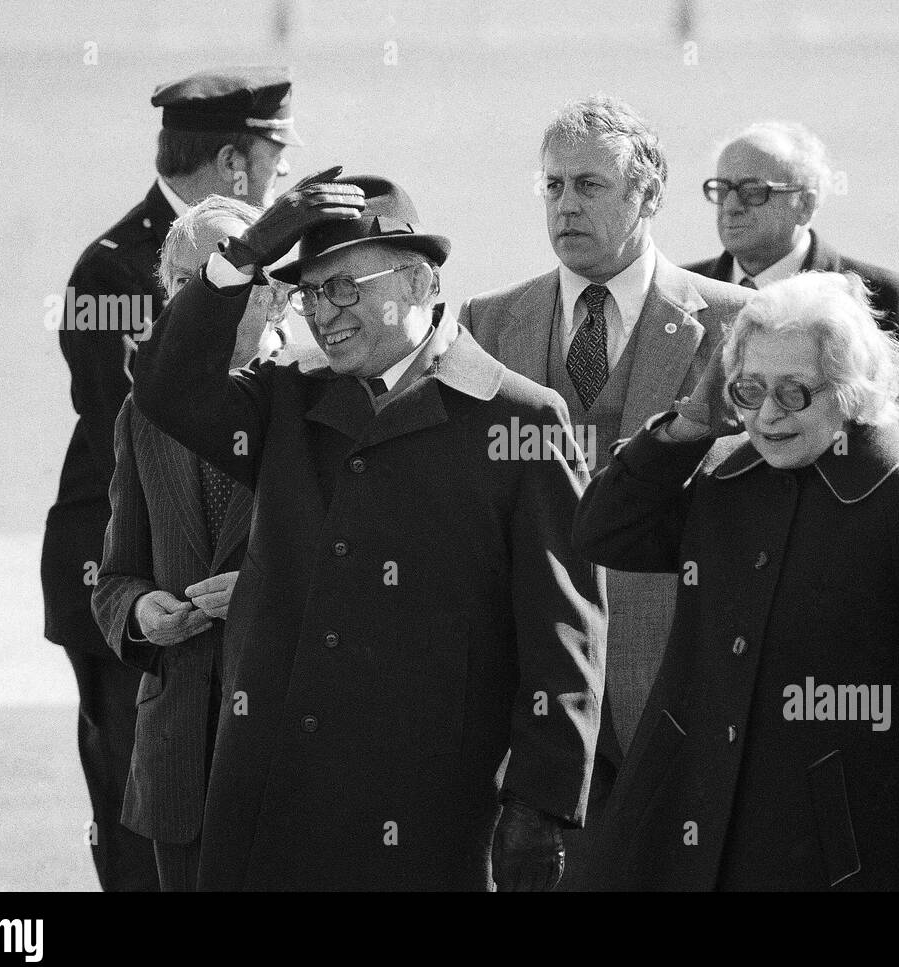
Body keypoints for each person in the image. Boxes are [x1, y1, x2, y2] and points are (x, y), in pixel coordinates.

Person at [131, 169, 606, 891]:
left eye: (347, 286)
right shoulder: (287, 399)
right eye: (311, 291)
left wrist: (541, 806)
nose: (324, 312)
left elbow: (564, 636)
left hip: (428, 818)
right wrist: (242, 257)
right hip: (269, 812)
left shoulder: (521, 420)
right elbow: (166, 387)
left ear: (419, 285)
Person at [575, 271, 899, 890]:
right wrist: (691, 424)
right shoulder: (723, 484)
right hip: (689, 842)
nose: (768, 416)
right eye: (748, 391)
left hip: (836, 859)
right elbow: (602, 531)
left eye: (794, 393)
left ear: (849, 392)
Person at [458, 100, 752, 883]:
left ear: (650, 193)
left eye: (589, 183)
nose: (565, 204)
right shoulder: (485, 326)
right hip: (533, 707)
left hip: (679, 691)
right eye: (551, 185)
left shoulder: (737, 326)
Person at [40, 66, 302, 891]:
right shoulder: (119, 267)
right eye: (275, 157)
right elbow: (164, 413)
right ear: (233, 163)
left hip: (225, 592)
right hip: (136, 571)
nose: (282, 177)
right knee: (142, 818)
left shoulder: (256, 263)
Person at [91, 195, 289, 891]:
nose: (196, 298)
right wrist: (142, 610)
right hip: (178, 762)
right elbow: (113, 576)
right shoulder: (142, 412)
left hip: (284, 756)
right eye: (182, 282)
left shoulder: (310, 401)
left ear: (272, 297)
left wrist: (263, 592)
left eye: (220, 277)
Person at [685, 121, 899, 334]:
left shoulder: (885, 300)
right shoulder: (683, 293)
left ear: (805, 204)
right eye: (722, 189)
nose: (731, 206)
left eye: (753, 190)